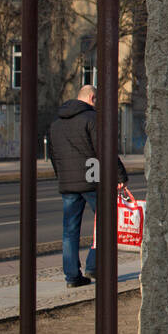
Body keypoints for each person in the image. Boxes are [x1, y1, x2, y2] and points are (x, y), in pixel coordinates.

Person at [48, 84, 128, 288]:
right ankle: (94, 265)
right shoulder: (92, 119)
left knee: (69, 231)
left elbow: (53, 156)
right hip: (93, 179)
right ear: (92, 98)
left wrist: (62, 177)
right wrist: (119, 175)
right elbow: (105, 150)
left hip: (68, 184)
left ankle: (72, 277)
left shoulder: (56, 124)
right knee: (105, 222)